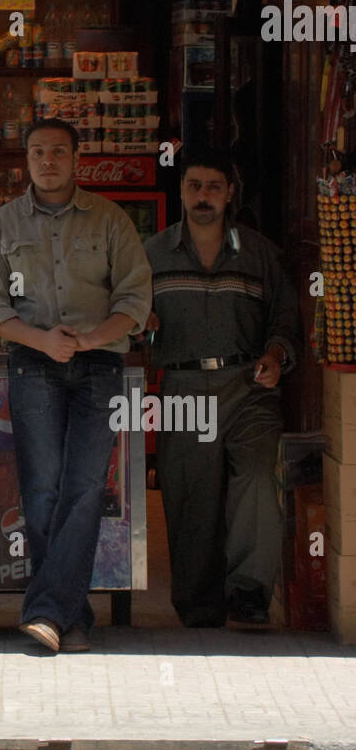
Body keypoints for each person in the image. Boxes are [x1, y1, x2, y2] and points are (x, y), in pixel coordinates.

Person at [0, 120, 152, 654]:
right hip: (33, 364)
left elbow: (135, 301)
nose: (47, 160)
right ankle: (70, 618)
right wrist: (42, 340)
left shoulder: (110, 220)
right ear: (25, 160)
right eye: (36, 152)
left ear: (77, 159)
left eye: (57, 151)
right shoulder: (4, 225)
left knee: (86, 487)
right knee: (43, 488)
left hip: (99, 367)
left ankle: (50, 611)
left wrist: (92, 338)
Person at [144, 149, 301, 630]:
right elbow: (126, 317)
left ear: (229, 193)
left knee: (255, 477)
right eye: (194, 185)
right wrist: (139, 324)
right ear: (182, 190)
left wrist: (275, 357)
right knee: (192, 496)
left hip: (246, 386)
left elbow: (285, 320)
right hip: (183, 388)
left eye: (214, 186)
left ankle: (250, 592)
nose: (204, 196)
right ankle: (199, 604)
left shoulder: (258, 253)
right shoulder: (151, 254)